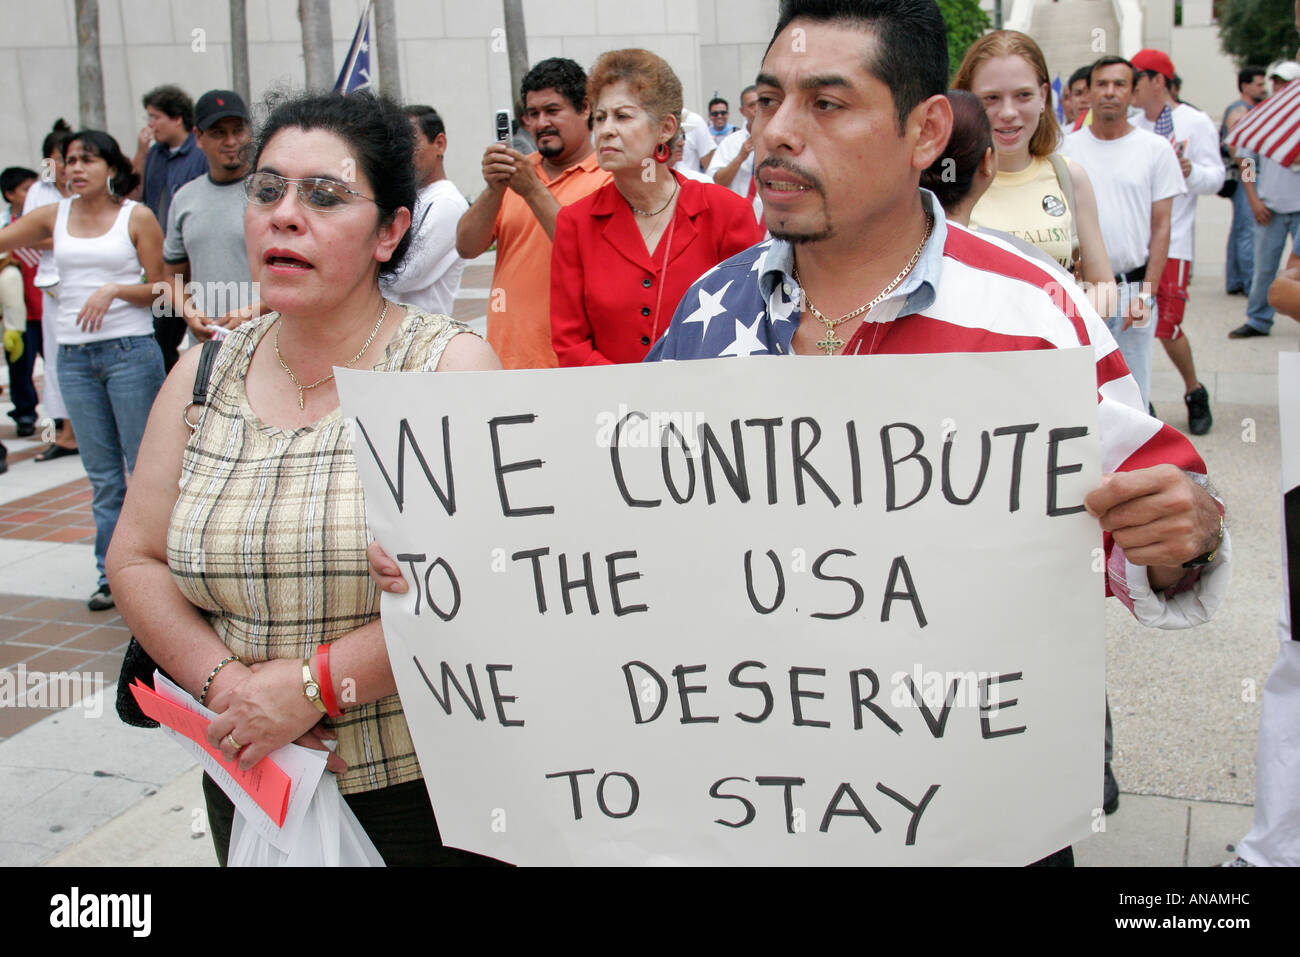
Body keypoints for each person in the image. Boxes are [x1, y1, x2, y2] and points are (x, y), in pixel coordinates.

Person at [370, 0, 1231, 868]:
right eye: (768, 97)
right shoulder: (713, 314)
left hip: (970, 812)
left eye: (826, 103)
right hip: (760, 808)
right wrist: (463, 564)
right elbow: (615, 536)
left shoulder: (1032, 314)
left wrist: (1178, 538)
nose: (778, 131)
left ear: (926, 129)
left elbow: (1154, 529)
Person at [106, 90, 503, 867]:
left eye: (324, 196)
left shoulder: (448, 368)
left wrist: (316, 687)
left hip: (424, 790)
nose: (286, 216)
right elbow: (135, 557)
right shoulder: (204, 371)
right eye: (268, 190)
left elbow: (497, 581)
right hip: (252, 777)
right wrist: (228, 687)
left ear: (391, 231)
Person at [0, 130, 167, 610]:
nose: (74, 168)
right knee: (103, 478)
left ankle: (159, 572)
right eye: (70, 160)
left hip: (130, 352)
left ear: (111, 168)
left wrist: (114, 290)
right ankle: (111, 575)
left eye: (87, 160)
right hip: (73, 359)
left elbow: (160, 289)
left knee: (146, 469)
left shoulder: (137, 217)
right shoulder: (54, 216)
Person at [549, 49, 763, 366]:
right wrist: (637, 399)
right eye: (599, 117)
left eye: (622, 116)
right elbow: (569, 343)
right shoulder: (575, 223)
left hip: (708, 406)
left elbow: (749, 326)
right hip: (611, 410)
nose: (605, 129)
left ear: (665, 128)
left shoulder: (726, 213)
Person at [456, 57, 612, 370]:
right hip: (507, 359)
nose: (540, 123)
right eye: (532, 114)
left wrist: (532, 190)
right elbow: (467, 246)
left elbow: (585, 254)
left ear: (585, 109)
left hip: (574, 365)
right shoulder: (516, 173)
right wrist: (495, 189)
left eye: (552, 111)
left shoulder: (611, 177)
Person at [954, 32, 1115, 319]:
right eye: (991, 98)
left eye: (1023, 95)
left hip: (1057, 358)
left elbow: (1103, 285)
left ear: (1043, 97)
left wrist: (1071, 326)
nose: (1008, 112)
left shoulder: (1069, 177)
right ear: (967, 100)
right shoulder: (946, 181)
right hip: (977, 360)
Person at [1061, 57, 1186, 414]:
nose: (1110, 93)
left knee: (1133, 399)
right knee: (1083, 396)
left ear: (1132, 93)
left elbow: (1162, 227)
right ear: (1087, 92)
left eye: (1119, 84)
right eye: (1101, 84)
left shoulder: (1155, 150)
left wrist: (1147, 295)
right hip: (1082, 292)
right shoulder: (1064, 149)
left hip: (1133, 292)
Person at [1130, 48, 1224, 435]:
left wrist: (1191, 171)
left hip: (1175, 241)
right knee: (1130, 324)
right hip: (1135, 245)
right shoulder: (1133, 123)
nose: (1131, 88)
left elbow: (1217, 177)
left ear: (1158, 81)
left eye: (1136, 79)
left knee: (1165, 325)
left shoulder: (1194, 122)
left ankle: (1194, 390)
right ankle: (1140, 401)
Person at [163, 89, 257, 344]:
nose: (231, 141)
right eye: (218, 133)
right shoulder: (184, 198)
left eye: (238, 130)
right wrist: (190, 314)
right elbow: (171, 275)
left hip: (265, 340)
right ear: (198, 137)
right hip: (208, 344)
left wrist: (256, 310)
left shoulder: (272, 192)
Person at [132, 85, 210, 372]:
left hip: (188, 266)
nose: (150, 125)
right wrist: (141, 152)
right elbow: (134, 191)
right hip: (160, 264)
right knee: (160, 339)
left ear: (177, 118)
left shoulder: (200, 155)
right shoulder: (155, 154)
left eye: (155, 117)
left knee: (191, 332)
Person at [1230, 65, 1300, 339]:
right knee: (1263, 268)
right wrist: (1253, 199)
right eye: (1277, 83)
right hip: (1270, 207)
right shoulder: (1267, 118)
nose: (1281, 88)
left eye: (1287, 83)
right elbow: (1246, 161)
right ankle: (1258, 320)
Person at [379, 105, 468, 317]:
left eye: (410, 142)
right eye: (396, 143)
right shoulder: (410, 197)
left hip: (419, 338)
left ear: (439, 144)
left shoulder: (448, 203)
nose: (402, 152)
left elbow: (404, 276)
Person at [24, 121, 79, 461]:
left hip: (90, 287)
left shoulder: (89, 189)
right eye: (57, 159)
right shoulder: (38, 192)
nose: (64, 166)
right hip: (52, 287)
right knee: (57, 359)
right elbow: (28, 235)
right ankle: (66, 432)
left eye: (70, 158)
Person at [1, 167, 41, 436]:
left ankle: (63, 418)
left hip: (46, 305)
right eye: (26, 189)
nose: (32, 194)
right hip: (19, 313)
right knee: (19, 365)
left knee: (57, 363)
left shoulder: (43, 221)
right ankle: (24, 413)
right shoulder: (5, 226)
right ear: (9, 194)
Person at [1223, 66, 1268, 295]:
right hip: (1247, 178)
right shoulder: (1241, 111)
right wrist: (1250, 179)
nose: (1264, 88)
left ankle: (1236, 280)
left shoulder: (1249, 110)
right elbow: (1239, 151)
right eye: (1259, 84)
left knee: (1242, 229)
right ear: (1245, 85)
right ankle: (1249, 283)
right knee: (1247, 231)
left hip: (1247, 178)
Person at [708, 85, 764, 224]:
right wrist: (740, 158)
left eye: (762, 102)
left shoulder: (781, 140)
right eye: (751, 105)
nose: (757, 109)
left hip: (772, 223)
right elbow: (717, 182)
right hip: (740, 221)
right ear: (742, 111)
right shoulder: (731, 143)